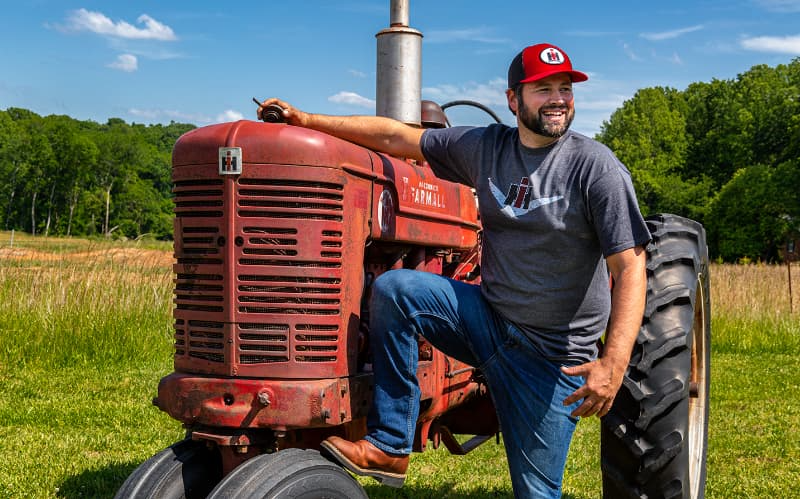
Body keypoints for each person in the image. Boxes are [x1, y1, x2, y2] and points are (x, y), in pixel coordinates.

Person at [257, 42, 650, 499]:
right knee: (395, 290)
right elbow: (398, 138)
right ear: (513, 99)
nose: (558, 99)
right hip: (491, 321)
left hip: (550, 356)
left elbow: (630, 267)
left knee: (537, 494)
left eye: (565, 89)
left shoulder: (594, 167)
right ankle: (390, 443)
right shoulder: (485, 147)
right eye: (543, 89)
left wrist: (613, 365)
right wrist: (307, 121)